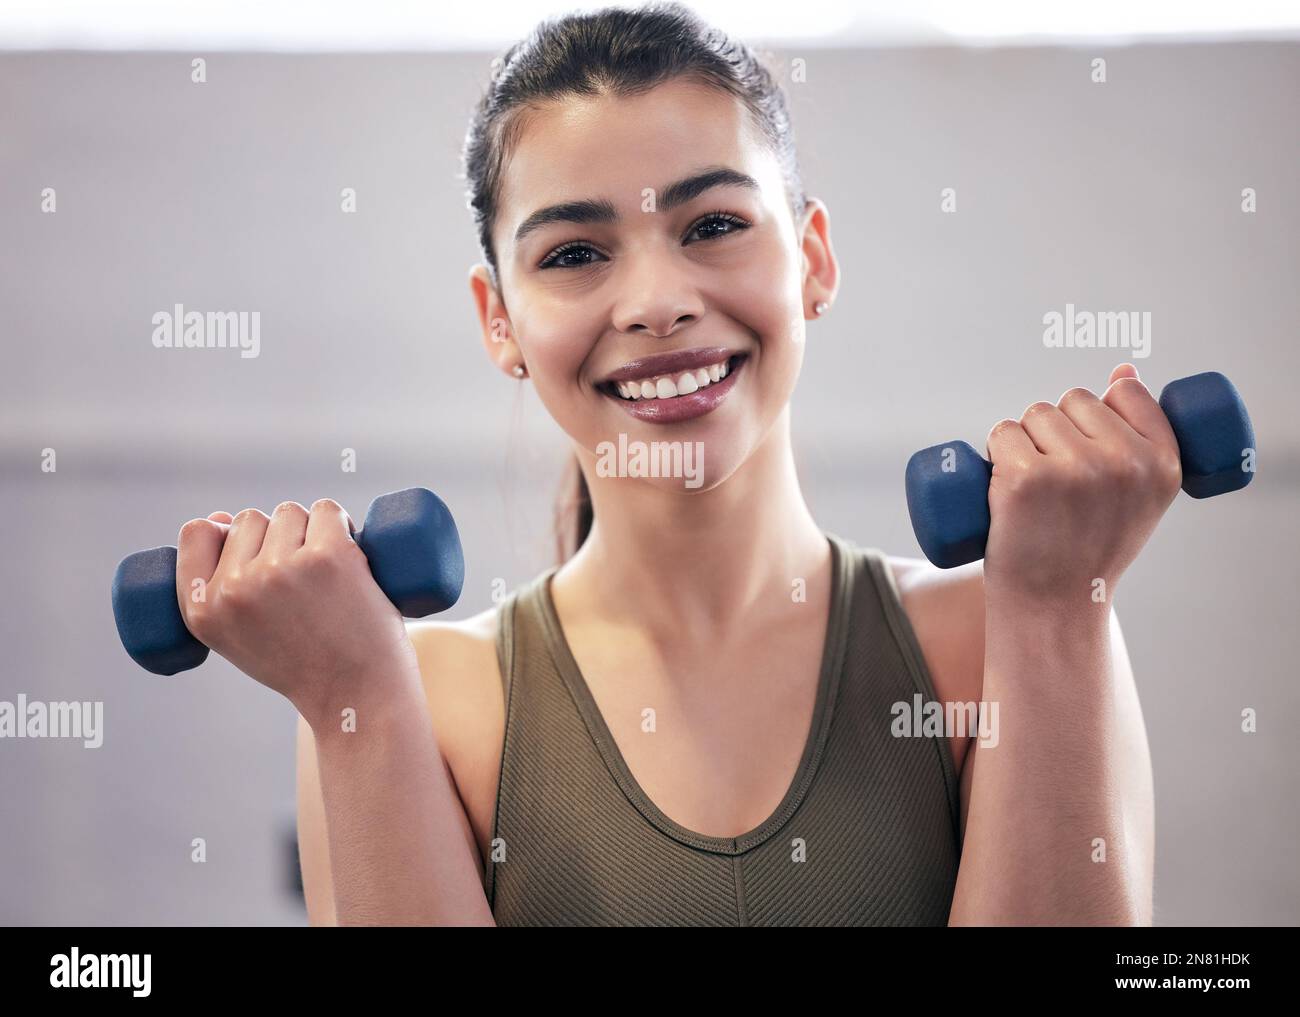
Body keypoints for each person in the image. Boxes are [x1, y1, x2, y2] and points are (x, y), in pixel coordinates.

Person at [180, 2, 1173, 925]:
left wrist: (1053, 612)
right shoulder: (420, 695)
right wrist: (355, 706)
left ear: (812, 260)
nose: (656, 301)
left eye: (713, 226)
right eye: (574, 253)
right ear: (499, 321)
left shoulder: (995, 639)